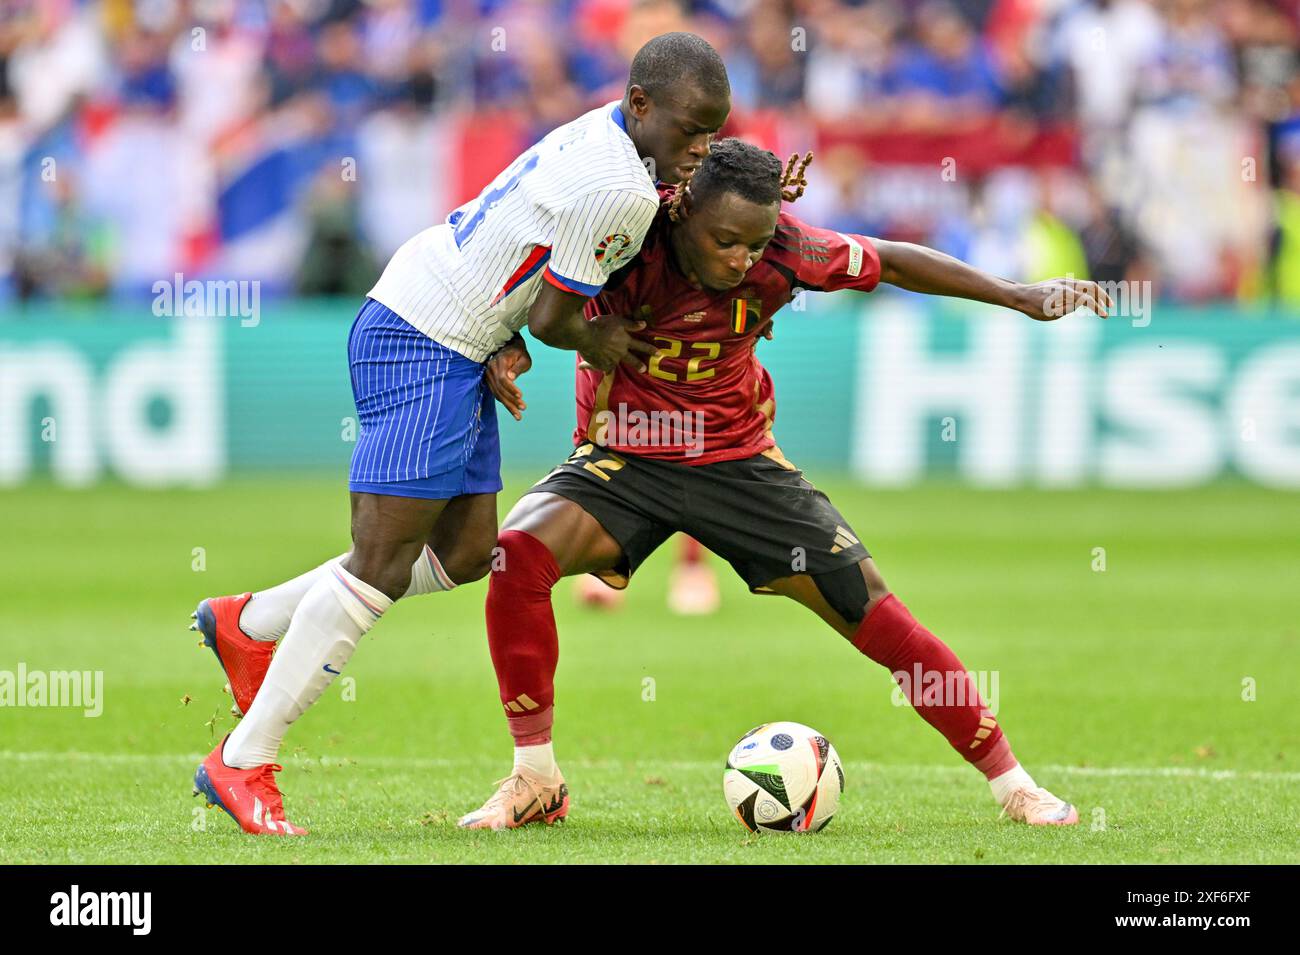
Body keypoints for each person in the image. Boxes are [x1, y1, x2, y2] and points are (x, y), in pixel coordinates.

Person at [456, 138, 1113, 830]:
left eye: (756, 241)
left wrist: (1016, 294)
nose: (742, 258)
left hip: (740, 465)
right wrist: (510, 346)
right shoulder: (625, 237)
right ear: (682, 216)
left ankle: (1013, 783)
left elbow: (890, 259)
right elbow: (532, 292)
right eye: (726, 240)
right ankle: (536, 779)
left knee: (878, 613)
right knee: (517, 552)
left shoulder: (786, 252)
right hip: (628, 462)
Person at [187, 33, 732, 836]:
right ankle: (242, 760)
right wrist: (600, 342)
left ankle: (249, 622)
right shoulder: (622, 189)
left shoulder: (608, 137)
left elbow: (527, 257)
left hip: (450, 326)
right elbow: (554, 317)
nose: (701, 147)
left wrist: (507, 334)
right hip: (426, 335)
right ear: (642, 106)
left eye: (713, 132)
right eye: (691, 130)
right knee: (378, 565)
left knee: (471, 548)